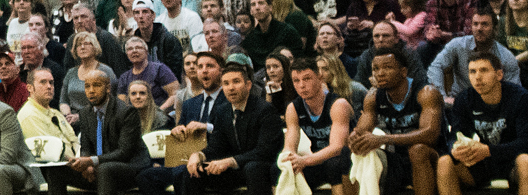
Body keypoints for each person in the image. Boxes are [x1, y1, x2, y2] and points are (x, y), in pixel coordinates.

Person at [136, 60, 280, 195]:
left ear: (248, 85)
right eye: (226, 83)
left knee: (253, 168)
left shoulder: (264, 110)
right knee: (192, 171)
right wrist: (198, 155)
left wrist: (230, 161)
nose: (231, 87)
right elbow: (216, 146)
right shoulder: (223, 110)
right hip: (232, 169)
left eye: (236, 82)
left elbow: (265, 151)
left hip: (259, 167)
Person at [437, 53, 528, 195]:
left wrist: (488, 150)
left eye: (484, 70)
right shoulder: (464, 99)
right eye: (472, 71)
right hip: (482, 163)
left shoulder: (520, 97)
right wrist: (455, 148)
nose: (477, 77)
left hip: (512, 162)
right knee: (444, 162)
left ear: (499, 75)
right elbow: (455, 135)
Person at [349, 45, 442, 195]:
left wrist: (384, 139)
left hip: (433, 157)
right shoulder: (373, 97)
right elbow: (361, 131)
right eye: (375, 69)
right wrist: (355, 139)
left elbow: (430, 136)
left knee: (417, 150)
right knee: (353, 154)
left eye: (387, 67)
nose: (380, 73)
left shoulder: (426, 93)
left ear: (403, 72)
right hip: (397, 159)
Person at [44, 73, 148, 195]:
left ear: (108, 88)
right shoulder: (85, 113)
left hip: (129, 168)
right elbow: (85, 147)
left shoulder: (126, 112)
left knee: (105, 169)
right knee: (55, 169)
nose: (91, 91)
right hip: (98, 168)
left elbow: (124, 152)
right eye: (87, 86)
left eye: (97, 85)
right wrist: (86, 166)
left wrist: (91, 161)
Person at [283, 56, 352, 190]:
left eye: (307, 79)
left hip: (345, 161)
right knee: (280, 170)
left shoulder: (338, 104)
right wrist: (288, 160)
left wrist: (305, 160)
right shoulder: (293, 108)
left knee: (334, 164)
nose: (301, 85)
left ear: (319, 77)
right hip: (317, 160)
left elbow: (337, 147)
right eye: (296, 80)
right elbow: (289, 147)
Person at [428, 8, 522, 97]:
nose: (479, 28)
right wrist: (442, 96)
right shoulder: (458, 45)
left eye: (485, 24)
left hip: (491, 102)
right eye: (475, 24)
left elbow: (514, 90)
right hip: (460, 99)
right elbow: (435, 66)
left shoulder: (506, 56)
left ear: (495, 28)